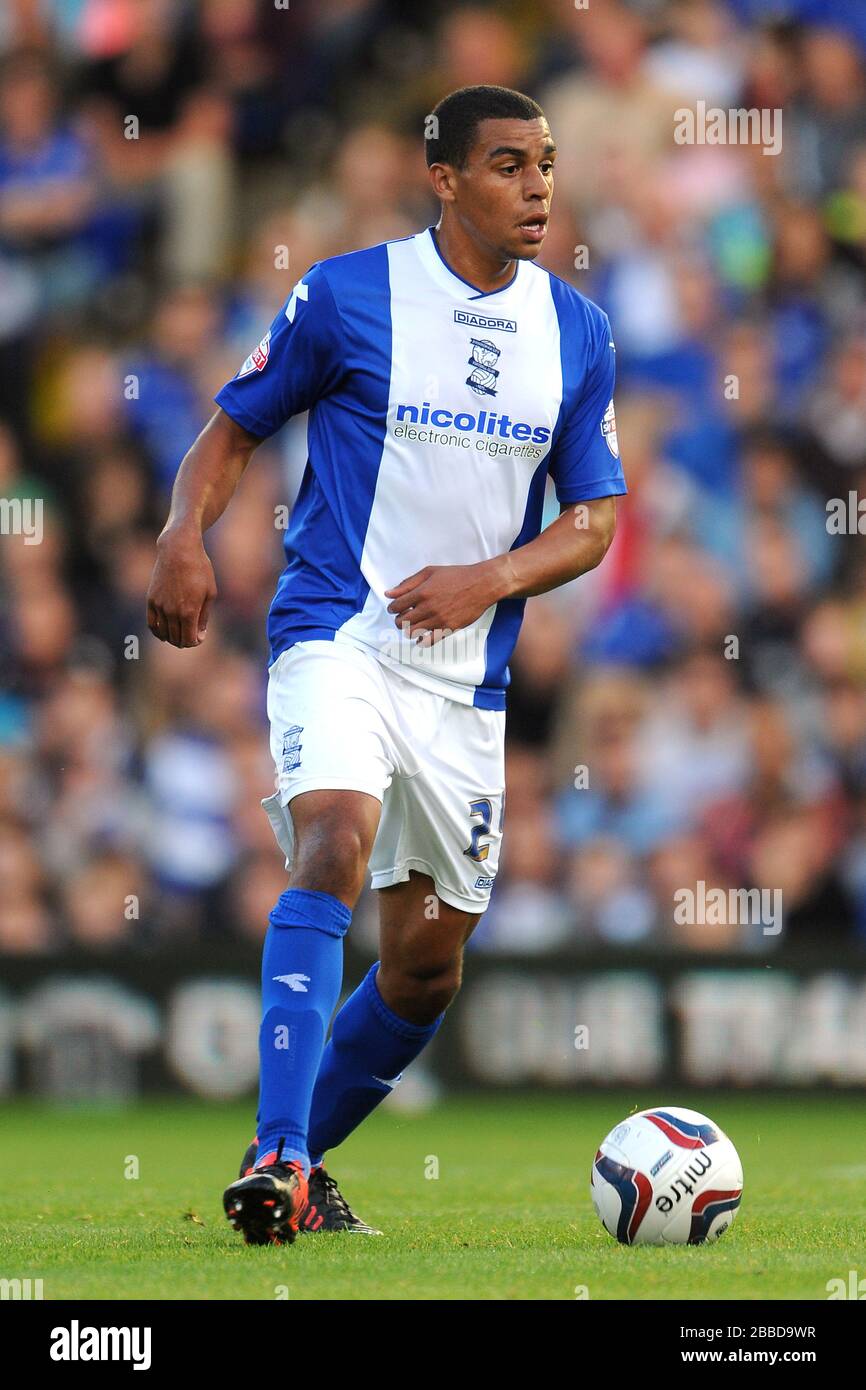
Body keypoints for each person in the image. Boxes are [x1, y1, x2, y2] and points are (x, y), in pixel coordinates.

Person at [145, 84, 626, 1245]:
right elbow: (232, 426)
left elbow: (595, 515)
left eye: (546, 164)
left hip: (466, 679)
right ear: (446, 179)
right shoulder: (349, 293)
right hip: (339, 633)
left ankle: (297, 1161)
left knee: (423, 968)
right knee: (333, 839)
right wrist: (181, 533)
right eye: (508, 164)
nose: (537, 187)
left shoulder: (576, 329)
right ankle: (275, 1150)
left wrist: (486, 580)